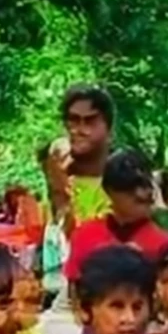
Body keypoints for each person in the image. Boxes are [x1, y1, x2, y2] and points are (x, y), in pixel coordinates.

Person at [63, 148, 168, 282]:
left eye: (146, 184)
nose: (141, 193)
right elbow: (74, 290)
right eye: (130, 187)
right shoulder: (85, 235)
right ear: (110, 191)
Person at [41, 84, 114, 236]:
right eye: (73, 120)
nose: (79, 130)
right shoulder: (60, 170)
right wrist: (58, 187)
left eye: (90, 121)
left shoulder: (126, 179)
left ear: (109, 130)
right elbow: (60, 239)